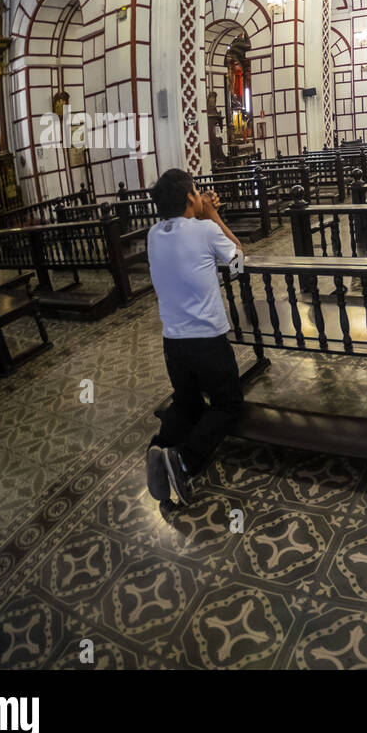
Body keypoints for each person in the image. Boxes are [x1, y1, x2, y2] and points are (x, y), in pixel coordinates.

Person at [144, 169, 245, 507]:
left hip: (173, 342)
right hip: (207, 340)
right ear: (190, 197)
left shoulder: (154, 234)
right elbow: (238, 261)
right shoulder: (205, 231)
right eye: (197, 190)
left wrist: (198, 211)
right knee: (228, 405)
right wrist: (211, 214)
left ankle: (159, 447)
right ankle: (183, 460)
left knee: (187, 404)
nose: (202, 193)